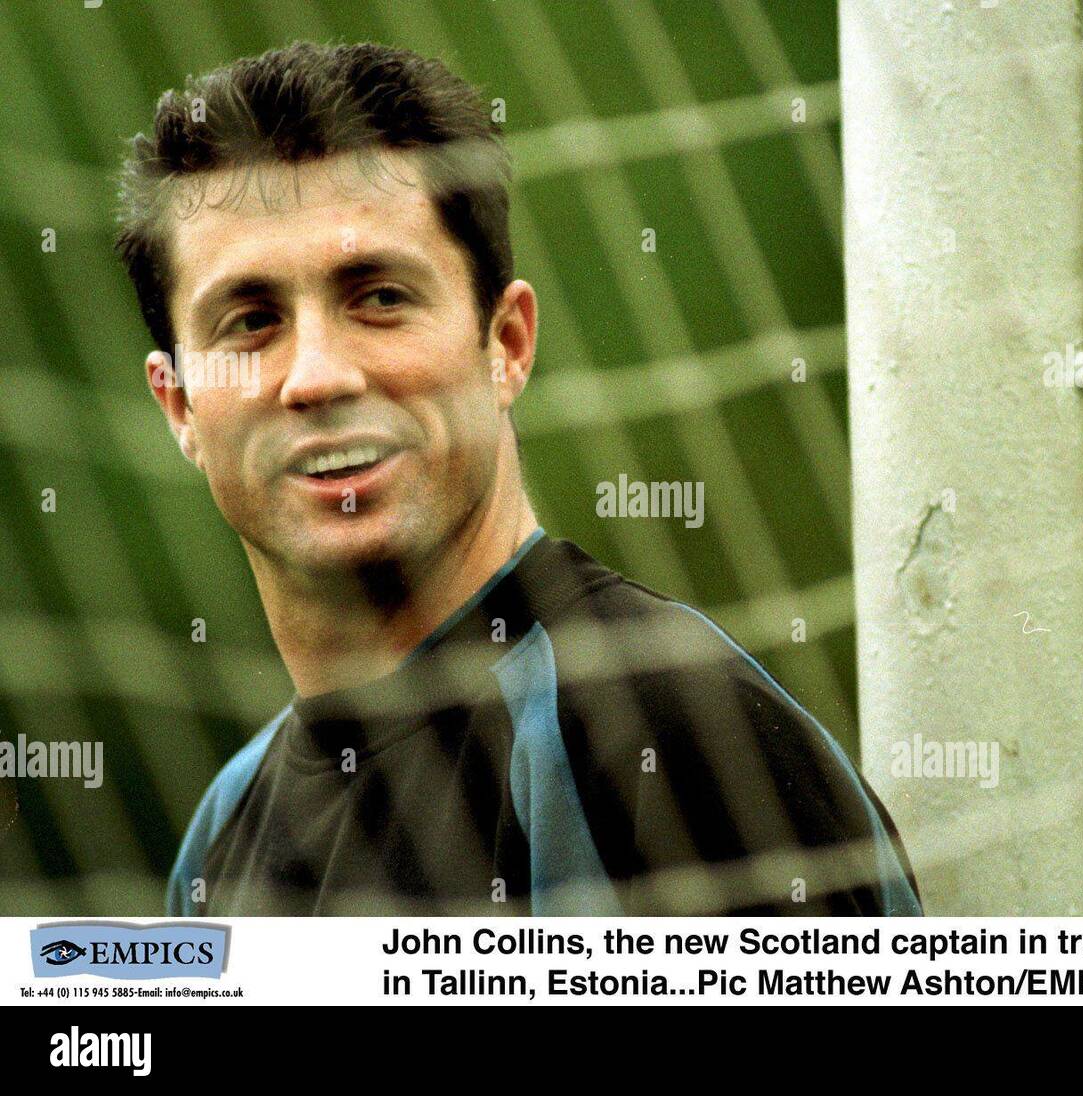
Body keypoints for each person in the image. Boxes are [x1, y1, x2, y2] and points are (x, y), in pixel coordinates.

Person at [114, 41, 921, 917]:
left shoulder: (660, 725)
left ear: (507, 345)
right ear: (181, 408)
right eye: (251, 320)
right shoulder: (224, 829)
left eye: (379, 297)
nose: (317, 376)